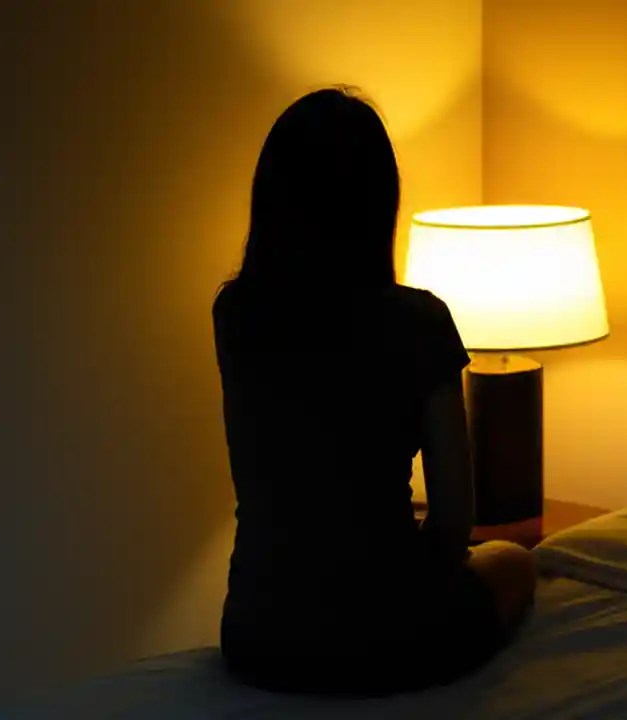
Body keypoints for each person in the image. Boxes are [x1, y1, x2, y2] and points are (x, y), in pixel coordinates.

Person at [213, 87, 536, 695]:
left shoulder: (236, 315)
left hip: (257, 636)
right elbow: (452, 524)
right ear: (377, 203)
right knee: (515, 560)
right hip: (386, 644)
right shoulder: (418, 322)